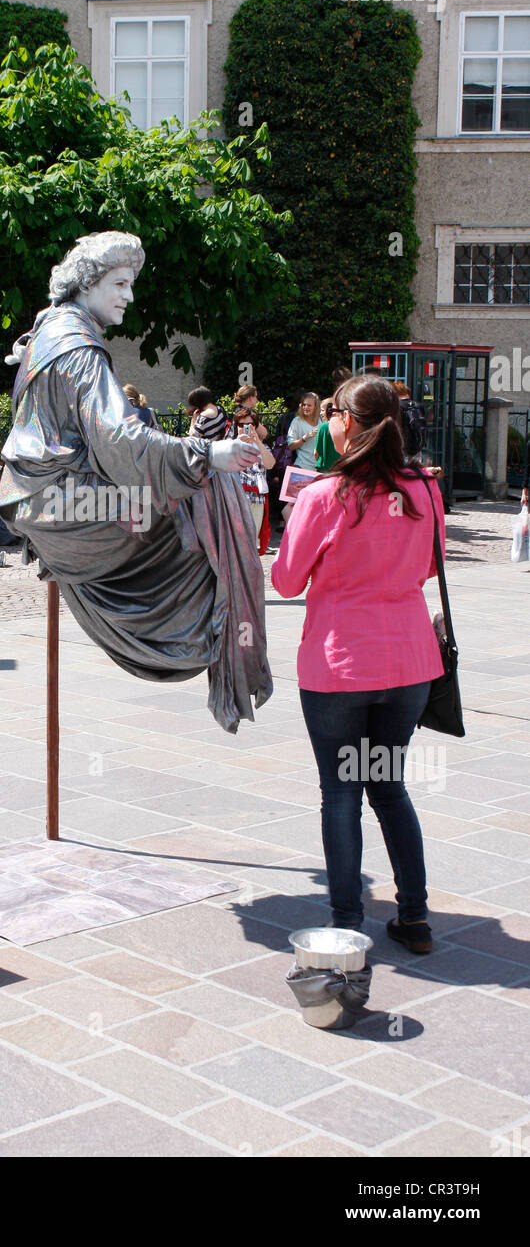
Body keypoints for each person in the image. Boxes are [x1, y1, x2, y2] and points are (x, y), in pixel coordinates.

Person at [0, 230, 270, 733]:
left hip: (42, 501)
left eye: (131, 283)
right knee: (209, 499)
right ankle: (214, 628)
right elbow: (121, 443)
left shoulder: (52, 333)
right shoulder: (77, 347)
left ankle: (210, 626)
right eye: (120, 283)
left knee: (196, 498)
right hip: (66, 505)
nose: (129, 295)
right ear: (87, 284)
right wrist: (209, 451)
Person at [271, 374, 444, 953]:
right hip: (409, 662)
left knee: (341, 792)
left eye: (331, 413)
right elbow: (424, 570)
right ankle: (414, 916)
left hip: (340, 663)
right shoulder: (425, 489)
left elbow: (287, 581)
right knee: (389, 787)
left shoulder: (324, 495)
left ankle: (347, 923)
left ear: (346, 422)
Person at [232, 393, 275, 540]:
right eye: (241, 425)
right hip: (235, 499)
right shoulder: (229, 445)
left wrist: (257, 442)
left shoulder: (261, 447)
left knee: (250, 542)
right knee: (234, 541)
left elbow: (270, 464)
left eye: (249, 425)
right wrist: (237, 442)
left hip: (256, 499)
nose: (245, 429)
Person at [282, 392, 320, 523]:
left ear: (316, 406)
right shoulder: (297, 421)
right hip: (301, 469)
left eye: (309, 405)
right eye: (304, 405)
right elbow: (291, 445)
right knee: (290, 506)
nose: (306, 408)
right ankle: (291, 534)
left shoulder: (321, 421)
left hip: (318, 470)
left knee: (312, 506)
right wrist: (305, 437)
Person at [315, 397, 340, 472]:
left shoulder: (324, 427)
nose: (321, 413)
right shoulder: (344, 426)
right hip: (339, 469)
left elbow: (316, 453)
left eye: (322, 410)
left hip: (324, 469)